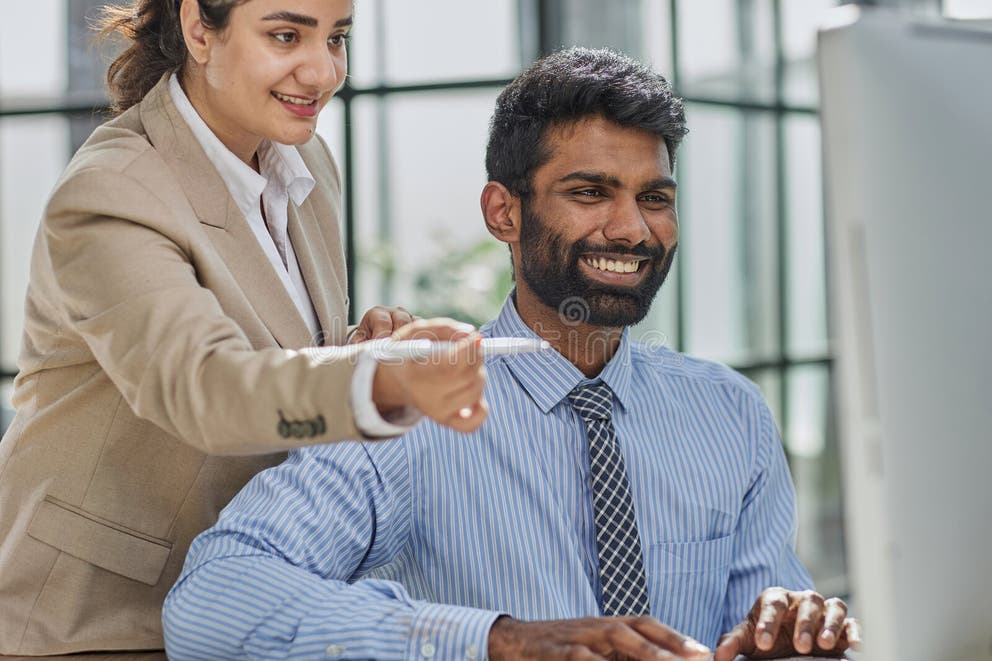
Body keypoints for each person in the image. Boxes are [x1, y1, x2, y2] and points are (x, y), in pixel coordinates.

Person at [163, 47, 861, 660]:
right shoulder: (407, 409)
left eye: (654, 197)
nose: (631, 229)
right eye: (590, 192)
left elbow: (755, 621)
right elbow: (211, 601)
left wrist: (787, 641)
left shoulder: (730, 414)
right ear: (504, 212)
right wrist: (496, 642)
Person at [0, 0, 489, 656]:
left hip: (242, 603)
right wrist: (380, 384)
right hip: (98, 623)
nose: (323, 72)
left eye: (336, 38)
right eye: (286, 36)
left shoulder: (304, 163)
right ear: (199, 29)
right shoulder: (112, 191)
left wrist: (360, 350)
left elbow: (267, 344)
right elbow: (206, 385)